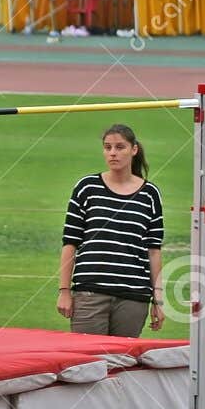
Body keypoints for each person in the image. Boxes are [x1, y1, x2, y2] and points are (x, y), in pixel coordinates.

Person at [57, 124, 165, 337]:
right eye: (107, 147)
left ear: (134, 150)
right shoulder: (87, 188)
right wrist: (64, 291)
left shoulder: (150, 194)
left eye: (119, 147)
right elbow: (70, 242)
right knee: (87, 362)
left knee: (121, 363)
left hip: (133, 296)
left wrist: (158, 299)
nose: (113, 153)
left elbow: (154, 250)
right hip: (90, 292)